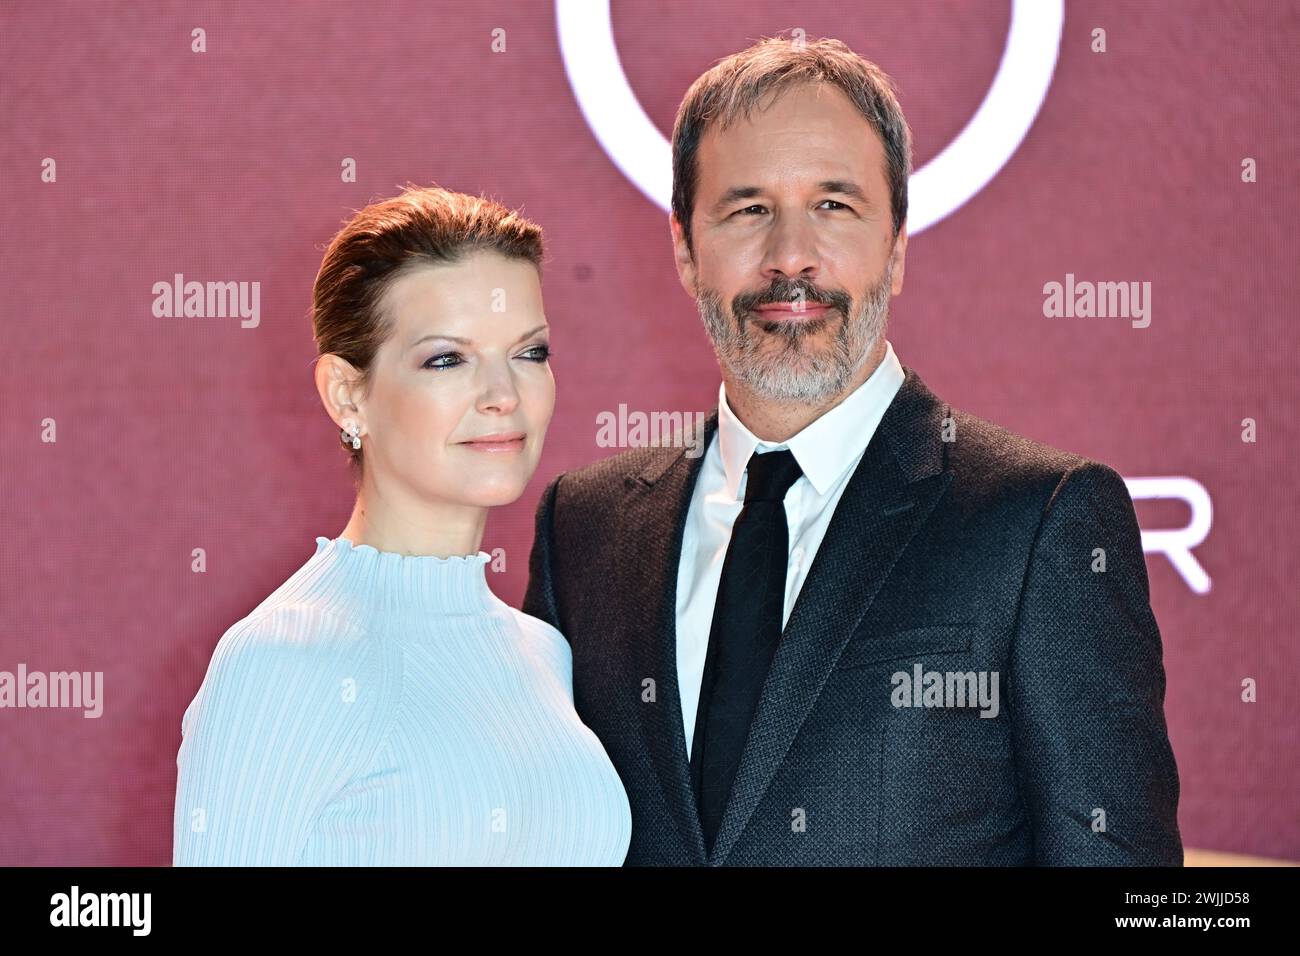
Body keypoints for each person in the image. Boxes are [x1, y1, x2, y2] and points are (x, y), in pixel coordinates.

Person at [523, 37, 1182, 865]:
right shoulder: (584, 530)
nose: (791, 257)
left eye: (834, 206)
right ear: (686, 250)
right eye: (747, 209)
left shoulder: (1038, 522)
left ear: (897, 246)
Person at [173, 185, 631, 865]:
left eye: (529, 353)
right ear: (346, 393)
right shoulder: (279, 661)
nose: (504, 395)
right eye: (447, 359)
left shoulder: (545, 654)